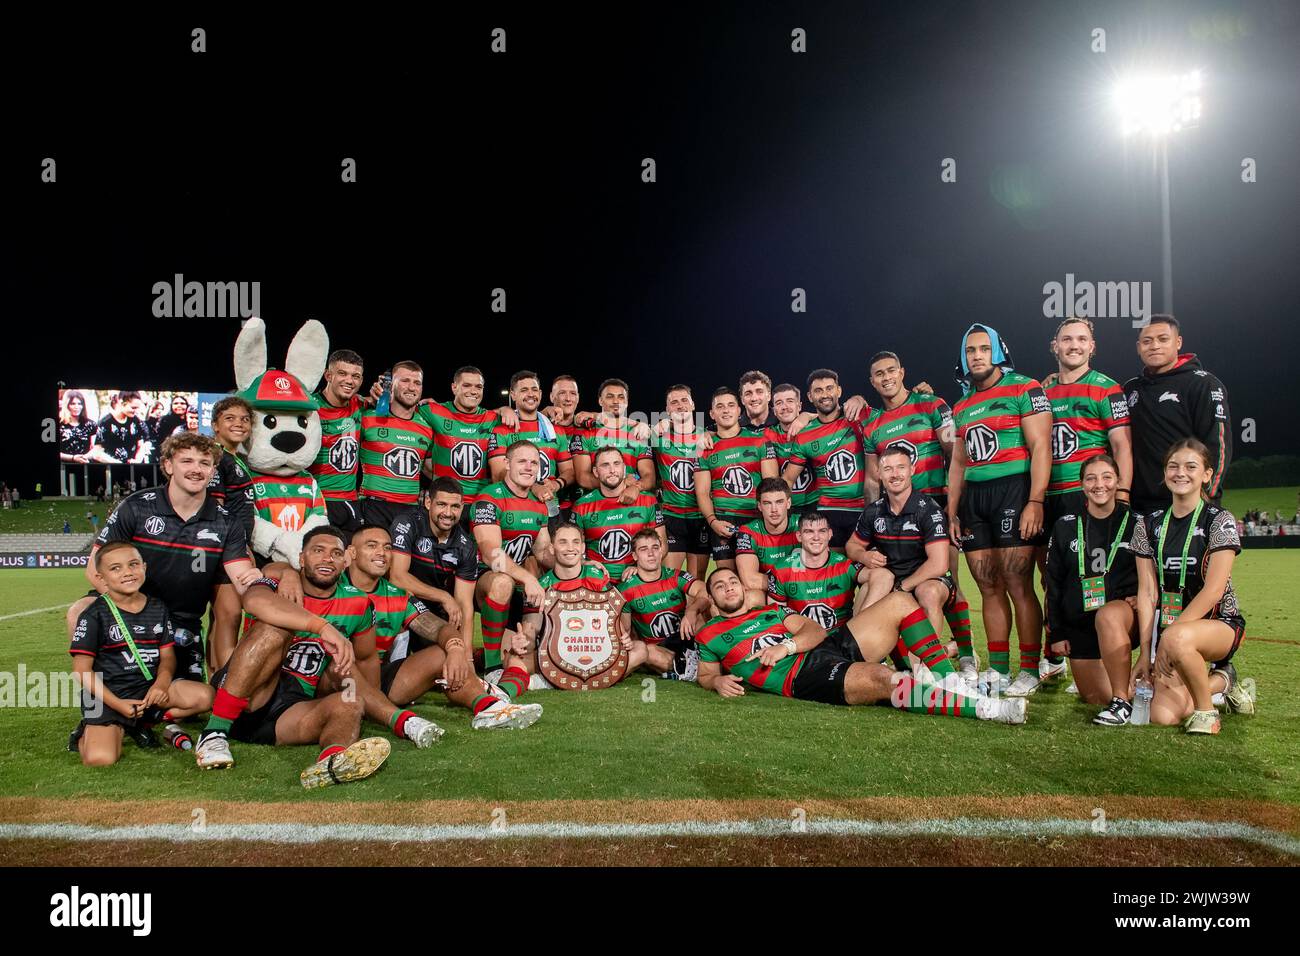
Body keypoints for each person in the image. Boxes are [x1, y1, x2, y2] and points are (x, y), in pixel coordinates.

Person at [69, 433, 276, 684]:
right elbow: (94, 569)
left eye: (204, 463)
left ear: (212, 472)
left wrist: (257, 580)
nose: (196, 469)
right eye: (186, 461)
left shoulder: (227, 522)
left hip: (179, 620)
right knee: (80, 610)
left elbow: (241, 575)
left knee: (195, 701)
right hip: (126, 608)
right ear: (168, 465)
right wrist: (135, 612)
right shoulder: (136, 507)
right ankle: (98, 710)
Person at [200, 526, 399, 785]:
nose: (328, 558)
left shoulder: (356, 602)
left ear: (345, 561)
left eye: (336, 553)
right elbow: (255, 603)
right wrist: (322, 627)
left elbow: (366, 658)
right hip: (249, 692)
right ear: (301, 558)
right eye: (318, 551)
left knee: (350, 702)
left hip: (289, 709)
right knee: (275, 629)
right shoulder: (274, 581)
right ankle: (215, 731)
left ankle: (332, 764)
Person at [695, 568, 1025, 723]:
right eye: (720, 585)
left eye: (733, 581)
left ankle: (951, 681)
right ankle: (988, 710)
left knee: (899, 600)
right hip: (803, 677)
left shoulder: (770, 611)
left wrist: (787, 646)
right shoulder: (709, 634)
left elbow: (813, 631)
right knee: (886, 681)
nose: (729, 588)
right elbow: (706, 674)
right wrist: (717, 681)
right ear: (711, 596)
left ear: (743, 588)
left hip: (820, 648)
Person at [346, 523, 542, 729]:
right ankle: (399, 721)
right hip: (338, 684)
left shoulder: (397, 595)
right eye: (371, 545)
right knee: (340, 664)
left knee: (443, 653)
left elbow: (437, 626)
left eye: (387, 547)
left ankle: (488, 707)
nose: (382, 553)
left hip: (378, 679)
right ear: (351, 552)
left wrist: (456, 647)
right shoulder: (333, 589)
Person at [948, 325, 1052, 697]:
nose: (976, 355)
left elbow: (1041, 447)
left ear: (997, 351)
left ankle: (1028, 668)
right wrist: (952, 511)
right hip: (975, 497)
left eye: (983, 348)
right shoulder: (960, 406)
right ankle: (999, 669)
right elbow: (958, 464)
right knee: (988, 585)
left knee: (1017, 582)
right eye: (970, 350)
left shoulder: (1026, 388)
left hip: (1014, 490)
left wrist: (1035, 499)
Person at [1131, 439, 1257, 734]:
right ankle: (1223, 682)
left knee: (1179, 639)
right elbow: (1148, 593)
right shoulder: (1148, 524)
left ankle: (1207, 713)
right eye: (1173, 466)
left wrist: (1170, 636)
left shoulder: (1219, 519)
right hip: (1173, 631)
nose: (1180, 473)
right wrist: (1145, 652)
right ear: (1164, 474)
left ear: (1207, 474)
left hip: (1219, 625)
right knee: (1163, 715)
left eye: (1191, 466)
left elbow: (1214, 590)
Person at [859, 351, 975, 671]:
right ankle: (903, 657)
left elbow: (955, 454)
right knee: (904, 585)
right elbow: (871, 480)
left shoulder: (932, 405)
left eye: (891, 371)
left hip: (935, 505)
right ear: (872, 381)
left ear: (902, 372)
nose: (886, 377)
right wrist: (872, 519)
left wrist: (954, 507)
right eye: (878, 373)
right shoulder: (872, 425)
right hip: (895, 514)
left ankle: (966, 654)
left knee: (947, 580)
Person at [1038, 318, 1133, 683]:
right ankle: (1055, 653)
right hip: (1049, 496)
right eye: (1066, 339)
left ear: (1092, 346)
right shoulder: (1041, 391)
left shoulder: (1108, 389)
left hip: (1091, 497)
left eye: (1081, 339)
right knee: (1050, 577)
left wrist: (1121, 493)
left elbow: (1123, 445)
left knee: (1097, 575)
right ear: (1055, 346)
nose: (1073, 345)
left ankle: (1102, 655)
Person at [68, 542, 216, 763]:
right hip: (108, 695)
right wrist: (118, 705)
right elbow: (82, 671)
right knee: (101, 759)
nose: (127, 572)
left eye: (133, 564)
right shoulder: (93, 615)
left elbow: (167, 657)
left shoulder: (158, 608)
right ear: (101, 578)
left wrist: (161, 684)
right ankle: (90, 731)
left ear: (144, 567)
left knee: (206, 697)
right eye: (116, 568)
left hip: (146, 691)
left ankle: (141, 724)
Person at [847, 445, 968, 679]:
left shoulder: (928, 509)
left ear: (912, 469)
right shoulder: (874, 511)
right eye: (888, 469)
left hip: (929, 579)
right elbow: (853, 546)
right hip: (893, 580)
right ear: (879, 475)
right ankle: (870, 658)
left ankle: (926, 669)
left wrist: (903, 588)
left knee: (928, 592)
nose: (895, 474)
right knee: (868, 590)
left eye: (901, 467)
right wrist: (864, 556)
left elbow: (939, 563)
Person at [1043, 455, 1142, 723]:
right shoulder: (1065, 525)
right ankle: (1132, 691)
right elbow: (1052, 582)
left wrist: (1139, 596)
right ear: (1082, 484)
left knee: (1108, 615)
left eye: (1107, 477)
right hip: (1080, 622)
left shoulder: (1136, 523)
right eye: (1091, 478)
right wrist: (1057, 632)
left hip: (1120, 617)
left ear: (1118, 481)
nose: (1100, 484)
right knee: (1096, 697)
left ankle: (1123, 701)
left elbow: (1152, 573)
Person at [1124, 315, 1231, 515]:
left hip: (1190, 502)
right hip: (1140, 507)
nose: (1154, 346)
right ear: (1139, 347)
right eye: (1147, 341)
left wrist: (1207, 494)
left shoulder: (1203, 384)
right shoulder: (1130, 389)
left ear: (1178, 342)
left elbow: (1219, 446)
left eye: (1163, 339)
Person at [471, 441, 554, 677]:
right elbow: (491, 555)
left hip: (516, 583)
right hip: (478, 582)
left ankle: (483, 657)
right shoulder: (489, 498)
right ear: (507, 464)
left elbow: (543, 551)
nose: (529, 467)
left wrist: (579, 564)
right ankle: (491, 668)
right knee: (502, 582)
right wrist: (528, 578)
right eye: (522, 461)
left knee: (527, 658)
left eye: (534, 463)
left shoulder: (539, 505)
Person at [783, 369, 869, 548]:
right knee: (834, 568)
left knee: (866, 564)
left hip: (862, 507)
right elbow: (788, 479)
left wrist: (860, 399)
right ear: (809, 396)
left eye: (829, 388)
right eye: (818, 390)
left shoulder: (857, 418)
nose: (825, 395)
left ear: (839, 391)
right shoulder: (804, 434)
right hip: (828, 511)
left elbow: (886, 413)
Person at [695, 387, 779, 570]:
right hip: (723, 523)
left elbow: (772, 486)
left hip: (756, 520)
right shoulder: (703, 448)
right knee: (728, 585)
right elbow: (702, 492)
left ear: (739, 411)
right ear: (712, 413)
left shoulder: (760, 441)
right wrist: (713, 522)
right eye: (720, 406)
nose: (726, 410)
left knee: (761, 580)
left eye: (731, 405)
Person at [420, 365, 513, 518]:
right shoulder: (433, 411)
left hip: (480, 504)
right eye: (467, 385)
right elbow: (402, 409)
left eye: (479, 387)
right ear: (454, 387)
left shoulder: (492, 419)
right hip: (446, 504)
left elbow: (526, 418)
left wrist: (507, 409)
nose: (474, 391)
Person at [617, 528, 710, 679]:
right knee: (647, 651)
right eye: (643, 549)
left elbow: (705, 591)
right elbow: (626, 631)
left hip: (685, 638)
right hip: (661, 648)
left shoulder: (675, 576)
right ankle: (691, 667)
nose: (651, 553)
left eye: (655, 547)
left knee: (708, 605)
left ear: (661, 551)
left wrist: (691, 611)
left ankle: (700, 661)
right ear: (634, 556)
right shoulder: (626, 590)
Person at [358, 360, 436, 530]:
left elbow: (431, 469)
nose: (411, 387)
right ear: (390, 385)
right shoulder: (368, 417)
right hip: (373, 506)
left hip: (411, 510)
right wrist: (370, 398)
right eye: (405, 381)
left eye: (417, 383)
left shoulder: (427, 426)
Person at [488, 370, 574, 517]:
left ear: (540, 394)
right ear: (513, 395)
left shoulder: (555, 430)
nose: (530, 394)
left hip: (550, 507)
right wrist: (534, 487)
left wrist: (556, 484)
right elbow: (498, 475)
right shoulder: (501, 430)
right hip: (515, 509)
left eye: (534, 390)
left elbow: (570, 471)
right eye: (524, 390)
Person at [572, 446, 666, 578]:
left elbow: (662, 545)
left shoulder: (648, 501)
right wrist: (585, 562)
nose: (612, 470)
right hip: (597, 581)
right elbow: (572, 550)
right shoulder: (581, 506)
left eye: (616, 464)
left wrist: (638, 567)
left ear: (624, 468)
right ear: (596, 472)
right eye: (605, 465)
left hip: (636, 579)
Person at [653, 384, 712, 579]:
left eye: (684, 400)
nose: (680, 406)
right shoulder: (659, 438)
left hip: (700, 517)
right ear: (668, 409)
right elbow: (623, 428)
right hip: (672, 518)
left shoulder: (709, 437)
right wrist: (655, 425)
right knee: (670, 578)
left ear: (693, 404)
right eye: (674, 402)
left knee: (697, 579)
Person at [311, 348, 367, 532]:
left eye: (356, 376)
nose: (350, 381)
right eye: (342, 374)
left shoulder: (360, 405)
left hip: (349, 500)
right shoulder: (310, 408)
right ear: (328, 375)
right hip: (318, 499)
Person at [735, 477, 800, 603]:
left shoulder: (804, 526)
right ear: (759, 506)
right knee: (751, 598)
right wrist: (786, 587)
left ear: (789, 503)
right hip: (775, 590)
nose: (774, 509)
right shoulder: (748, 532)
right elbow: (749, 580)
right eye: (767, 503)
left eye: (779, 502)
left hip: (803, 589)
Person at [766, 384, 818, 515]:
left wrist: (806, 416)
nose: (785, 407)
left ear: (799, 406)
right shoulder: (767, 435)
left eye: (790, 401)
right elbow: (736, 432)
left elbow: (830, 416)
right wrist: (708, 432)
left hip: (816, 502)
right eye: (779, 403)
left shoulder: (814, 428)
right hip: (786, 505)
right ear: (774, 410)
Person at [88, 391, 149, 464]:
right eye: (133, 408)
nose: (136, 411)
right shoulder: (105, 422)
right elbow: (97, 453)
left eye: (137, 408)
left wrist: (137, 460)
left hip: (132, 468)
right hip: (111, 467)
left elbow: (140, 445)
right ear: (121, 403)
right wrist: (117, 463)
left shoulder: (136, 421)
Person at [58, 390, 96, 464]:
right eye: (73, 404)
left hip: (85, 464)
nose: (77, 407)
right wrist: (73, 458)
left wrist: (84, 457)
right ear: (67, 405)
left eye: (79, 404)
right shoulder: (59, 424)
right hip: (63, 466)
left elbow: (95, 448)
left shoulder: (91, 424)